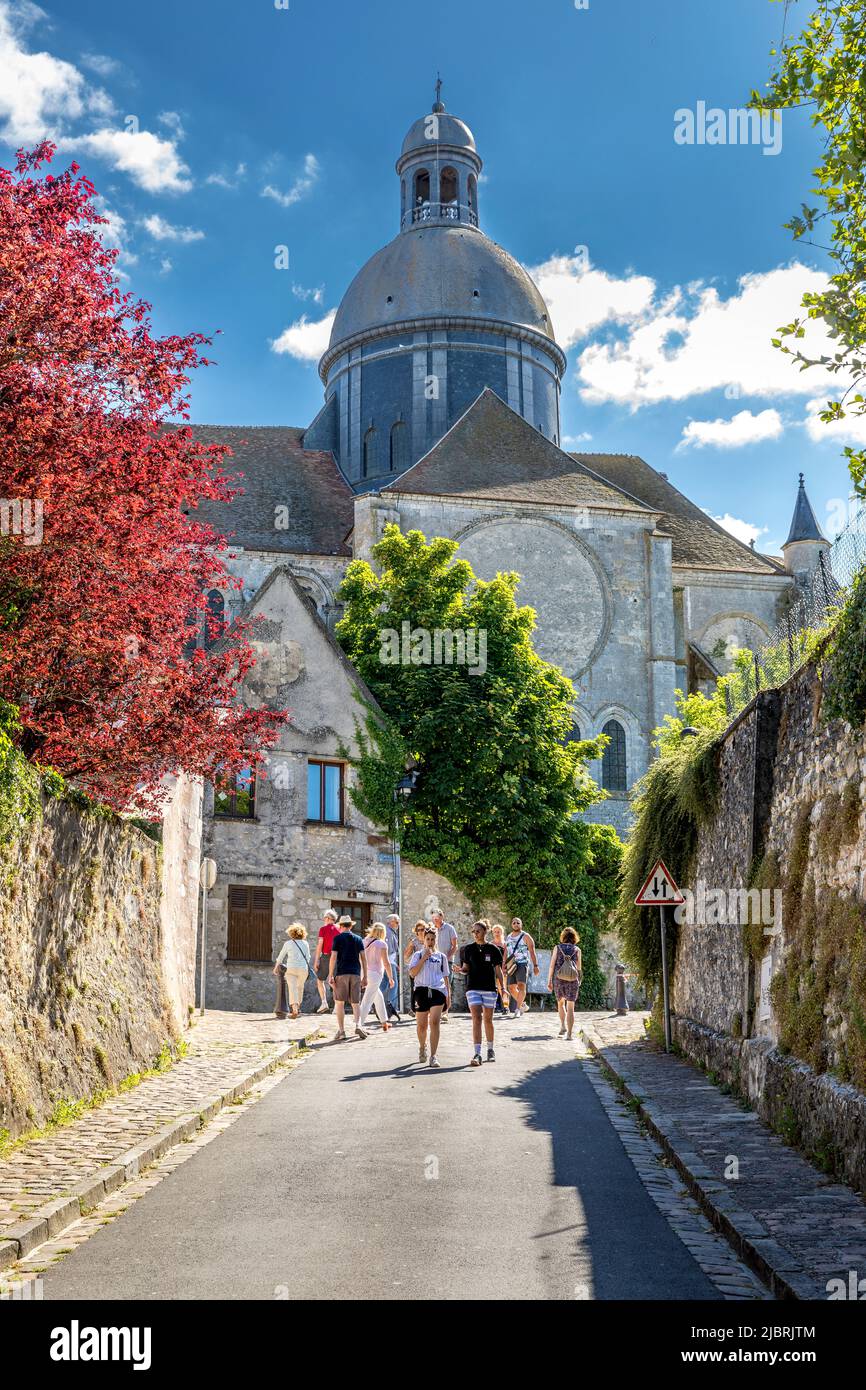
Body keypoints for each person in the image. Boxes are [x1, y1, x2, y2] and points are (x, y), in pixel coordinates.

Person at [456, 921, 504, 1065]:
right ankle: (477, 1054)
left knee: (488, 1020)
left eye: (478, 931)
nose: (475, 934)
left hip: (489, 988)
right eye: (473, 931)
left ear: (485, 931)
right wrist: (461, 970)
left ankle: (490, 1049)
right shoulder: (468, 949)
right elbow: (466, 968)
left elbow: (498, 971)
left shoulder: (494, 949)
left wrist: (503, 988)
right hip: (473, 988)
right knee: (476, 1018)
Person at [408, 927, 450, 1068]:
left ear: (436, 940)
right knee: (421, 1026)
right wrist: (424, 958)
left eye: (433, 939)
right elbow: (412, 973)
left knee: (434, 1023)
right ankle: (422, 1047)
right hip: (421, 991)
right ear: (424, 940)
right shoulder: (418, 955)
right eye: (428, 939)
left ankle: (433, 1056)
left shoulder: (441, 957)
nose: (430, 942)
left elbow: (445, 977)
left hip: (438, 991)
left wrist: (448, 995)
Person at [328, 915, 369, 1041]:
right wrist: (365, 976)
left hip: (341, 973)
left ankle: (342, 1031)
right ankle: (358, 1025)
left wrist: (330, 974)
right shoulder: (358, 939)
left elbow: (333, 957)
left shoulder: (338, 938)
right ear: (351, 926)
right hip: (355, 973)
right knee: (356, 1003)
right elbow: (363, 958)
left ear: (340, 926)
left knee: (339, 1003)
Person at [547, 928, 582, 1040]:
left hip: (559, 979)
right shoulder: (577, 949)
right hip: (572, 979)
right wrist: (579, 979)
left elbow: (552, 965)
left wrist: (549, 980)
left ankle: (562, 1026)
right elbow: (579, 968)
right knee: (570, 1007)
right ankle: (570, 1035)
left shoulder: (557, 948)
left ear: (563, 937)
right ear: (574, 937)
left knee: (561, 1003)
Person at [359, 923, 395, 1031]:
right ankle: (358, 1024)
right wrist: (390, 977)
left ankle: (384, 1022)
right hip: (375, 974)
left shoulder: (363, 941)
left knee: (378, 997)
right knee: (367, 1000)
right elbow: (386, 962)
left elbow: (359, 958)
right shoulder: (381, 944)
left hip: (364, 972)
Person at [274, 923, 311, 1020]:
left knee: (292, 988)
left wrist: (275, 968)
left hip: (291, 968)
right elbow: (308, 957)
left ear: (291, 933)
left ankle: (294, 1008)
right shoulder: (305, 943)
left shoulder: (288, 943)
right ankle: (298, 1008)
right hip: (303, 969)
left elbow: (281, 957)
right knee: (300, 988)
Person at [505, 917, 539, 1016]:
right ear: (511, 924)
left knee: (521, 986)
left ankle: (518, 1009)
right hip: (511, 964)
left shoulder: (526, 936)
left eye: (518, 923)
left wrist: (536, 965)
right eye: (514, 923)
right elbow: (506, 951)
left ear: (521, 924)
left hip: (522, 963)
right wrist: (504, 964)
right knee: (511, 988)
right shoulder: (508, 937)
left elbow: (532, 952)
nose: (516, 924)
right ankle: (523, 1004)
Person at [430, 908, 458, 1022]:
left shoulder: (450, 928)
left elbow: (455, 946)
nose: (435, 920)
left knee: (446, 986)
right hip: (433, 961)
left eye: (437, 917)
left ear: (442, 917)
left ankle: (445, 1012)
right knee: (433, 985)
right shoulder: (431, 929)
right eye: (433, 918)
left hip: (447, 961)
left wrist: (447, 957)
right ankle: (434, 1010)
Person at [312, 909, 339, 1014]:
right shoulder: (339, 929)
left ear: (328, 918)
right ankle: (337, 1005)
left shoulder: (323, 929)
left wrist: (316, 960)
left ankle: (324, 1003)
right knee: (334, 982)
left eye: (324, 918)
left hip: (326, 957)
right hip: (337, 957)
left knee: (320, 980)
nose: (324, 920)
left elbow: (320, 945)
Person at [490, 924, 510, 1016]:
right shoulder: (490, 944)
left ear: (502, 932)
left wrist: (503, 969)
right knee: (492, 988)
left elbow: (505, 958)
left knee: (503, 988)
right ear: (492, 933)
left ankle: (506, 1007)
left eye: (499, 931)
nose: (497, 933)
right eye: (495, 932)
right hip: (491, 970)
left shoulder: (505, 944)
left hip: (501, 969)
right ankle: (491, 1006)